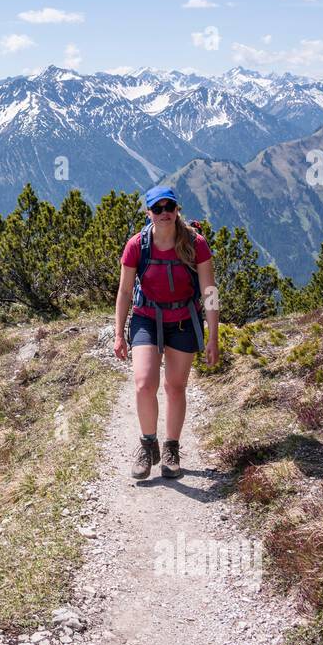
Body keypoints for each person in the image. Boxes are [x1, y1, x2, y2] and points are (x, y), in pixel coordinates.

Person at [112, 186, 220, 480]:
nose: (163, 214)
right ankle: (149, 445)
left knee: (175, 387)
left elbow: (209, 292)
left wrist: (213, 336)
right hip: (146, 318)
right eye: (156, 209)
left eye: (168, 207)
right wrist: (119, 333)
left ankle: (171, 447)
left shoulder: (196, 244)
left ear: (176, 210)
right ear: (148, 213)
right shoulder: (137, 246)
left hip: (183, 320)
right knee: (145, 383)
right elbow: (124, 292)